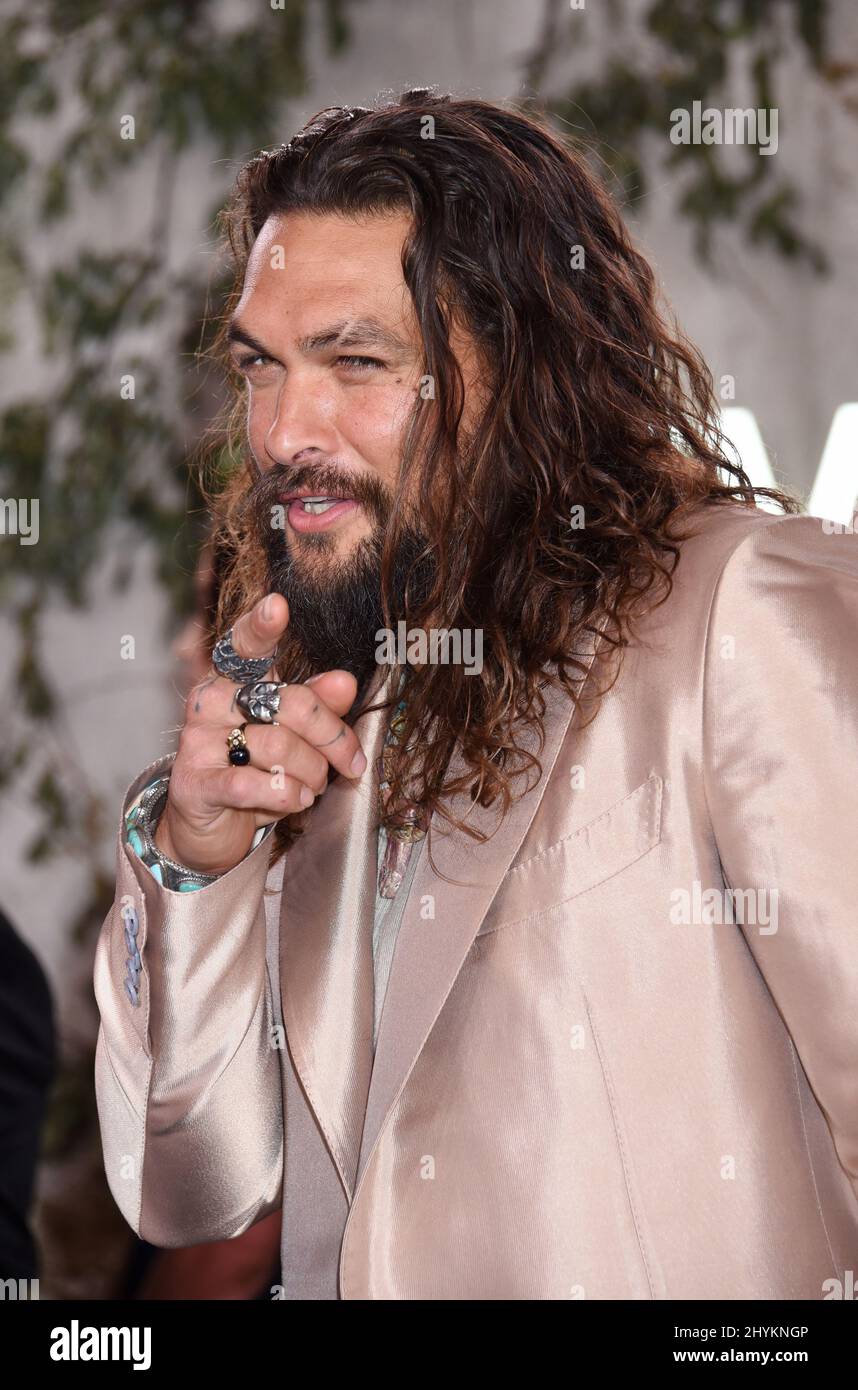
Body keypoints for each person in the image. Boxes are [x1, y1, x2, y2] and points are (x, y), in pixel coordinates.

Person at [93, 89, 858, 1300]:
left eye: (356, 361)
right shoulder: (342, 705)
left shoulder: (737, 609)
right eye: (263, 368)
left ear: (525, 362)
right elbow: (196, 1193)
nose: (286, 427)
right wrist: (199, 859)